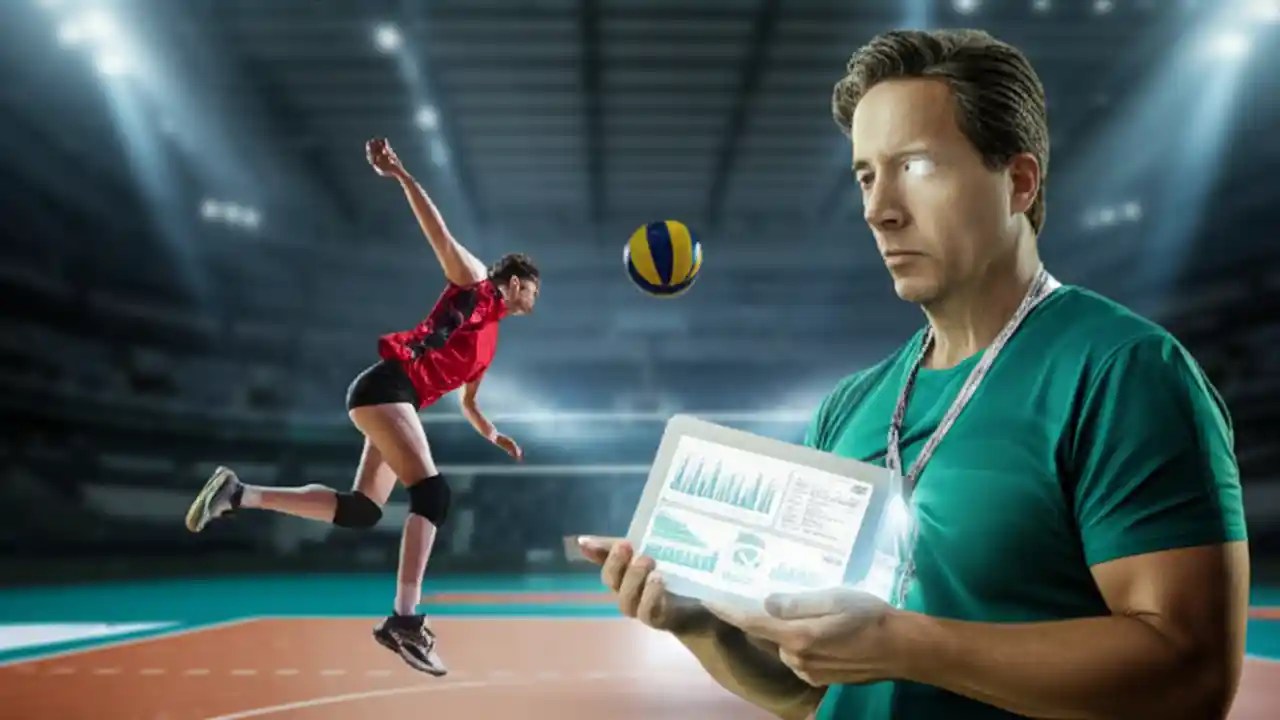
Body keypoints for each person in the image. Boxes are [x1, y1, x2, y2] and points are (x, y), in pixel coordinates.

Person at [579, 28, 1249, 719]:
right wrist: (702, 629)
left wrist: (906, 644)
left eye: (918, 167)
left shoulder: (1123, 372)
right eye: (867, 174)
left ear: (1018, 182)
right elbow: (816, 691)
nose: (879, 209)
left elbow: (1188, 676)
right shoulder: (851, 405)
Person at [184, 137, 540, 677]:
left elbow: (469, 401)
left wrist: (495, 435)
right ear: (516, 283)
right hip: (388, 388)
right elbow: (437, 232)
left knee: (362, 510)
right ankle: (405, 620)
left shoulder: (490, 342)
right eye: (534, 290)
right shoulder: (476, 283)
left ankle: (240, 493)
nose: (536, 299)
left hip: (395, 401)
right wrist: (400, 173)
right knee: (434, 494)